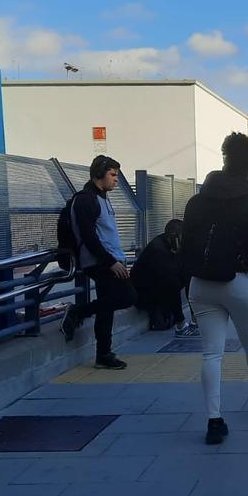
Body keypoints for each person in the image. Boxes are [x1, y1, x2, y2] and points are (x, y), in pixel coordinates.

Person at [181, 133, 248, 445]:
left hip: (201, 283)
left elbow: (186, 243)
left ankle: (214, 420)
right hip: (239, 281)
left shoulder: (197, 201)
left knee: (211, 353)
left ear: (224, 161)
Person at [60, 155, 135, 369]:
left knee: (106, 307)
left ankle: (103, 354)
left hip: (109, 259)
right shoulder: (86, 200)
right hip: (99, 261)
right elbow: (89, 237)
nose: (116, 179)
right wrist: (111, 262)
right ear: (99, 174)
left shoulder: (102, 197)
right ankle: (78, 312)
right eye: (113, 174)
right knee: (128, 296)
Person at [131, 219, 198, 336]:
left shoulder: (170, 245)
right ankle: (180, 325)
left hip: (157, 285)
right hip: (143, 292)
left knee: (188, 276)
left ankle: (195, 319)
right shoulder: (158, 250)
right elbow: (169, 278)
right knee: (173, 283)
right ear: (173, 237)